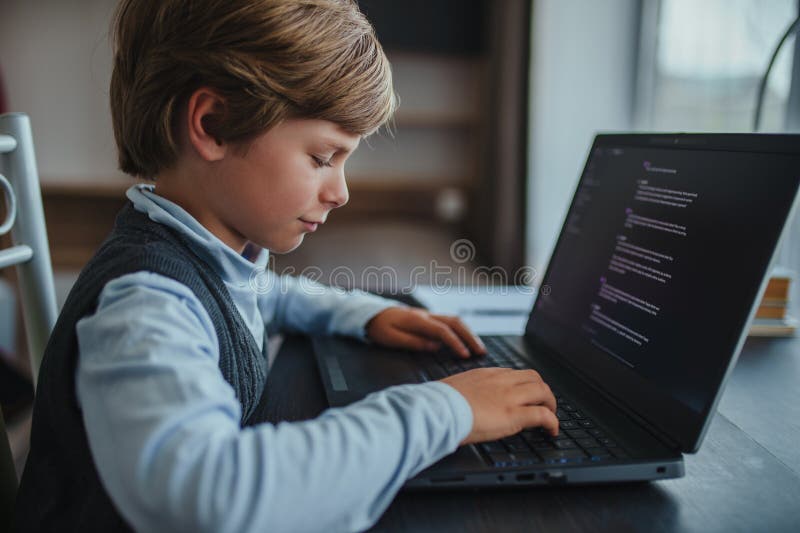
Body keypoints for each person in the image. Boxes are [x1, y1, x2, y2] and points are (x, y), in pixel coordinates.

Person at [14, 1, 558, 531]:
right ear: (213, 124)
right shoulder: (144, 308)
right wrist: (444, 411)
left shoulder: (210, 256)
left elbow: (265, 294)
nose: (341, 192)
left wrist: (362, 314)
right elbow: (210, 497)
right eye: (322, 158)